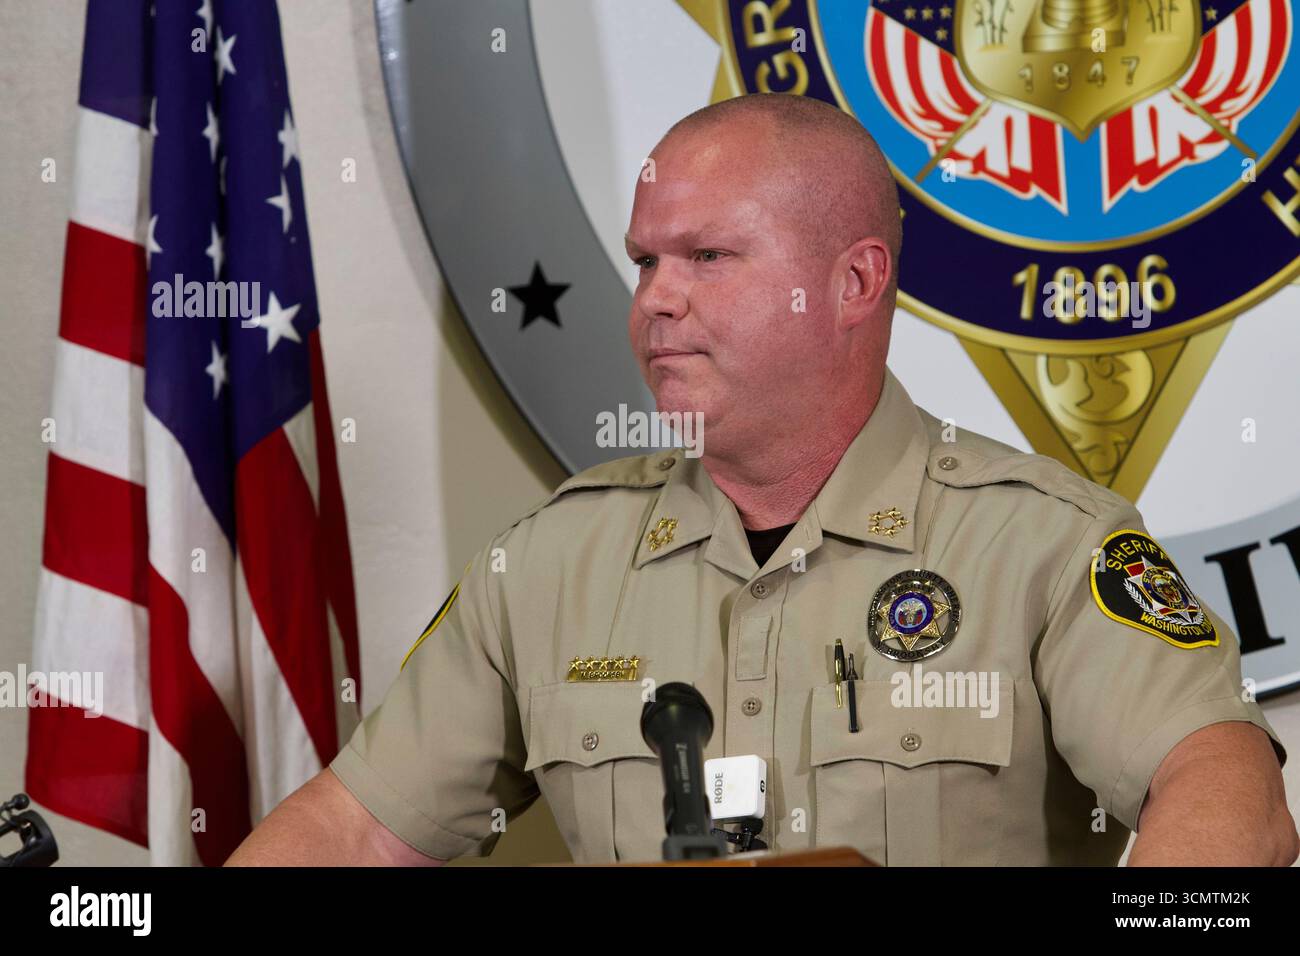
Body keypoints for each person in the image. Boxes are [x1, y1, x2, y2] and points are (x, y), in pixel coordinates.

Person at [226, 93, 1296, 867]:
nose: (655, 299)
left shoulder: (1044, 549)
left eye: (707, 258)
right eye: (646, 261)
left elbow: (1227, 796)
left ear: (851, 283)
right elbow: (357, 829)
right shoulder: (549, 561)